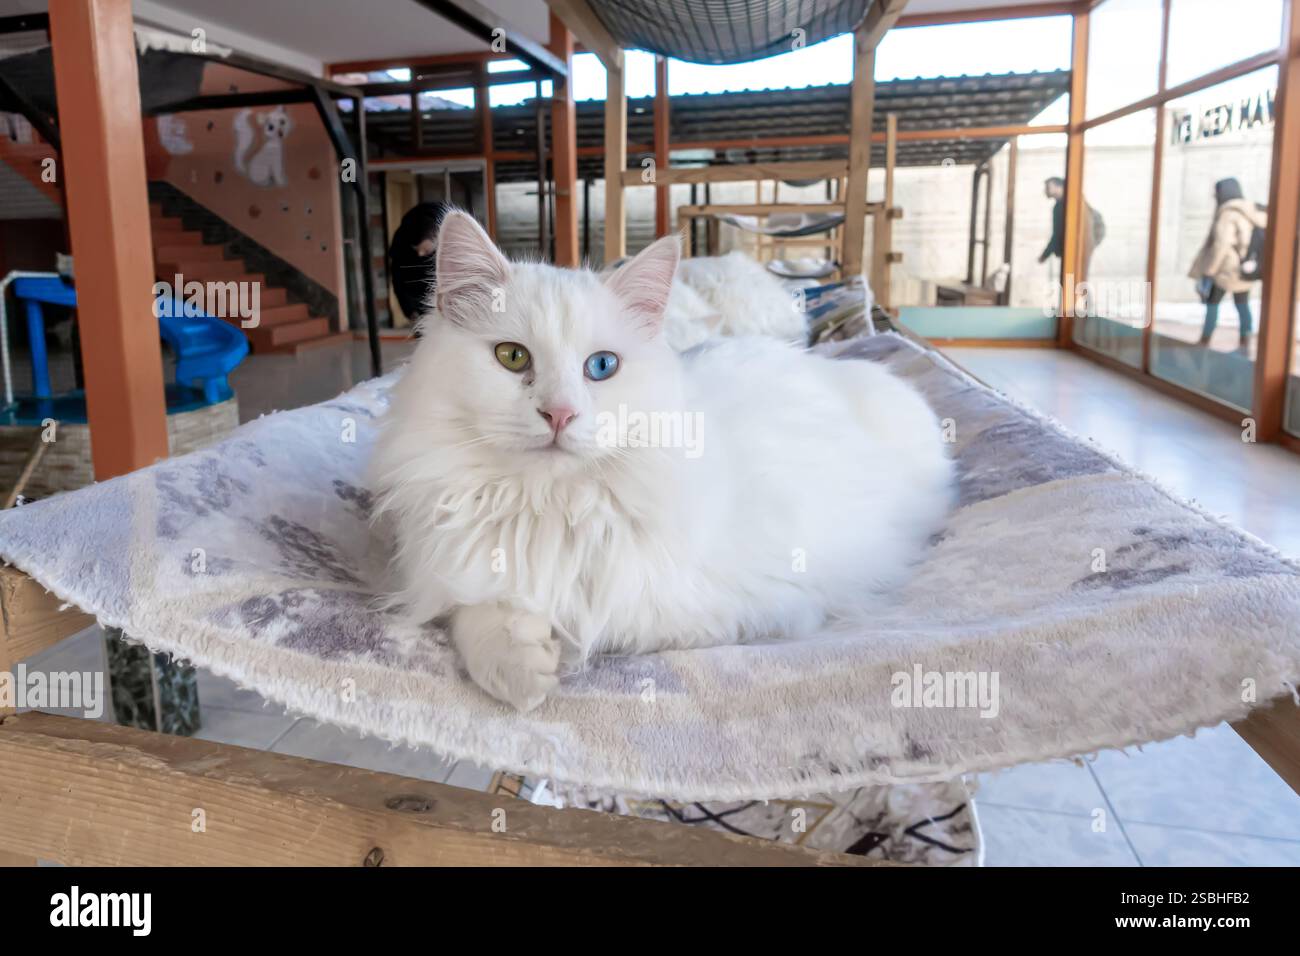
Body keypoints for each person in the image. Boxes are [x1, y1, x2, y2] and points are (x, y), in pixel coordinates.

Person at [1188, 177, 1267, 349]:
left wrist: (1209, 270)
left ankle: (1205, 338)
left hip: (1226, 269)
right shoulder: (1254, 210)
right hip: (1247, 267)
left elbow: (1220, 246)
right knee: (1242, 304)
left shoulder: (1228, 214)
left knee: (1212, 303)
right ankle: (1245, 338)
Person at [387, 201, 452, 323]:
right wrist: (409, 309)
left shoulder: (452, 239)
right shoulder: (402, 240)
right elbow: (398, 279)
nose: (420, 254)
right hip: (418, 300)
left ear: (437, 238)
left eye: (426, 250)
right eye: (415, 249)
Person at [1038, 176, 1103, 280]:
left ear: (1057, 186)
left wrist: (1045, 255)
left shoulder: (1064, 205)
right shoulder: (1076, 200)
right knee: (1076, 284)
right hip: (1078, 250)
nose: (1045, 190)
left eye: (1048, 187)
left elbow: (1057, 235)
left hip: (1073, 251)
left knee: (1072, 283)